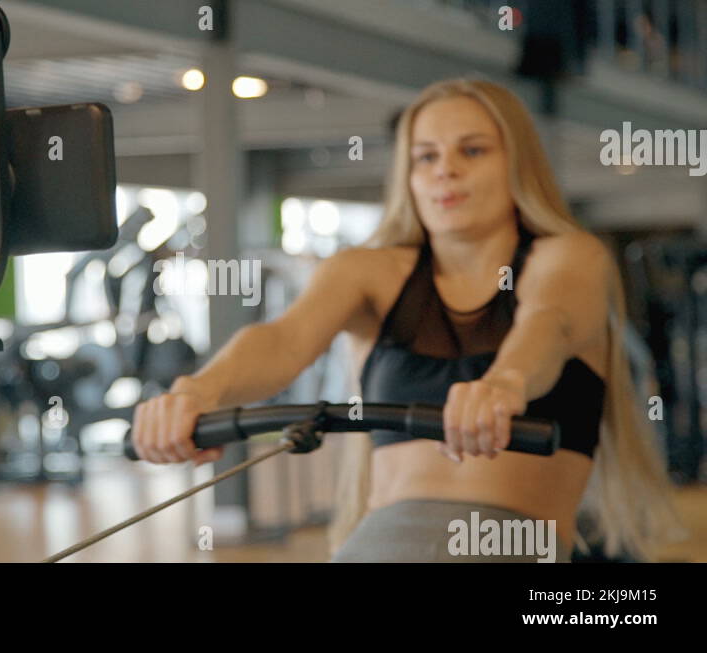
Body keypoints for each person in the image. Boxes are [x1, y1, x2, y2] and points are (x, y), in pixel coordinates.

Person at [129, 78, 684, 562]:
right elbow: (283, 339)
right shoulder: (368, 273)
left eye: (472, 150)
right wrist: (197, 392)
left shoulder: (569, 257)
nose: (446, 170)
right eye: (425, 156)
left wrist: (504, 383)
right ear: (408, 176)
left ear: (517, 162)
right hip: (383, 543)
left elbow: (549, 322)